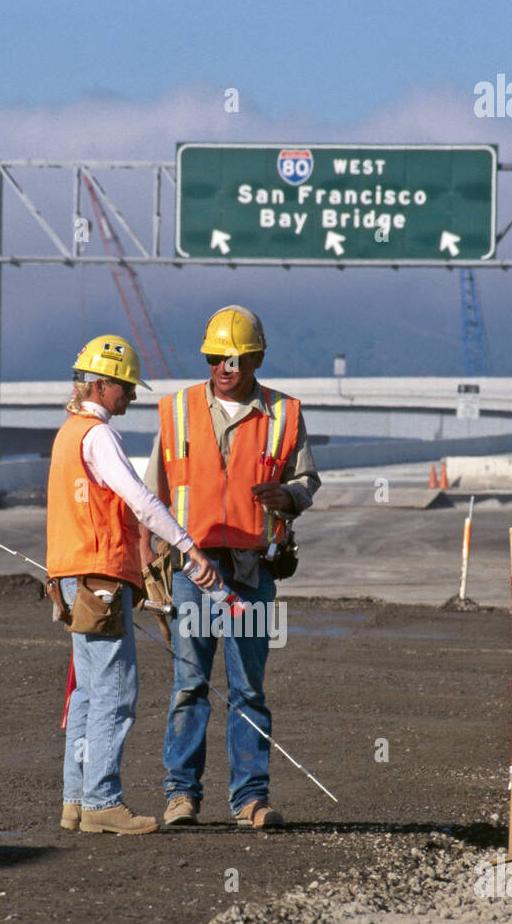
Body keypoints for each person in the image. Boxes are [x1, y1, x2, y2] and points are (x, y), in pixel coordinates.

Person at [141, 305, 320, 829]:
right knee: (189, 684)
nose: (226, 367)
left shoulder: (284, 414)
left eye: (237, 359)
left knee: (247, 689)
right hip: (191, 571)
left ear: (257, 359)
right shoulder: (177, 411)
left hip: (251, 572)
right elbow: (154, 493)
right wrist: (152, 559)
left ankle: (249, 800)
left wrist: (288, 496)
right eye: (217, 358)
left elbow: (307, 481)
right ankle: (181, 796)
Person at [46, 335, 219, 835]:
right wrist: (188, 547)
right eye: (125, 387)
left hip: (74, 578)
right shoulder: (98, 438)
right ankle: (102, 801)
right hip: (101, 577)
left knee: (86, 692)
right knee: (116, 690)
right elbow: (140, 500)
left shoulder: (67, 434)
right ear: (100, 385)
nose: (133, 396)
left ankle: (75, 801)